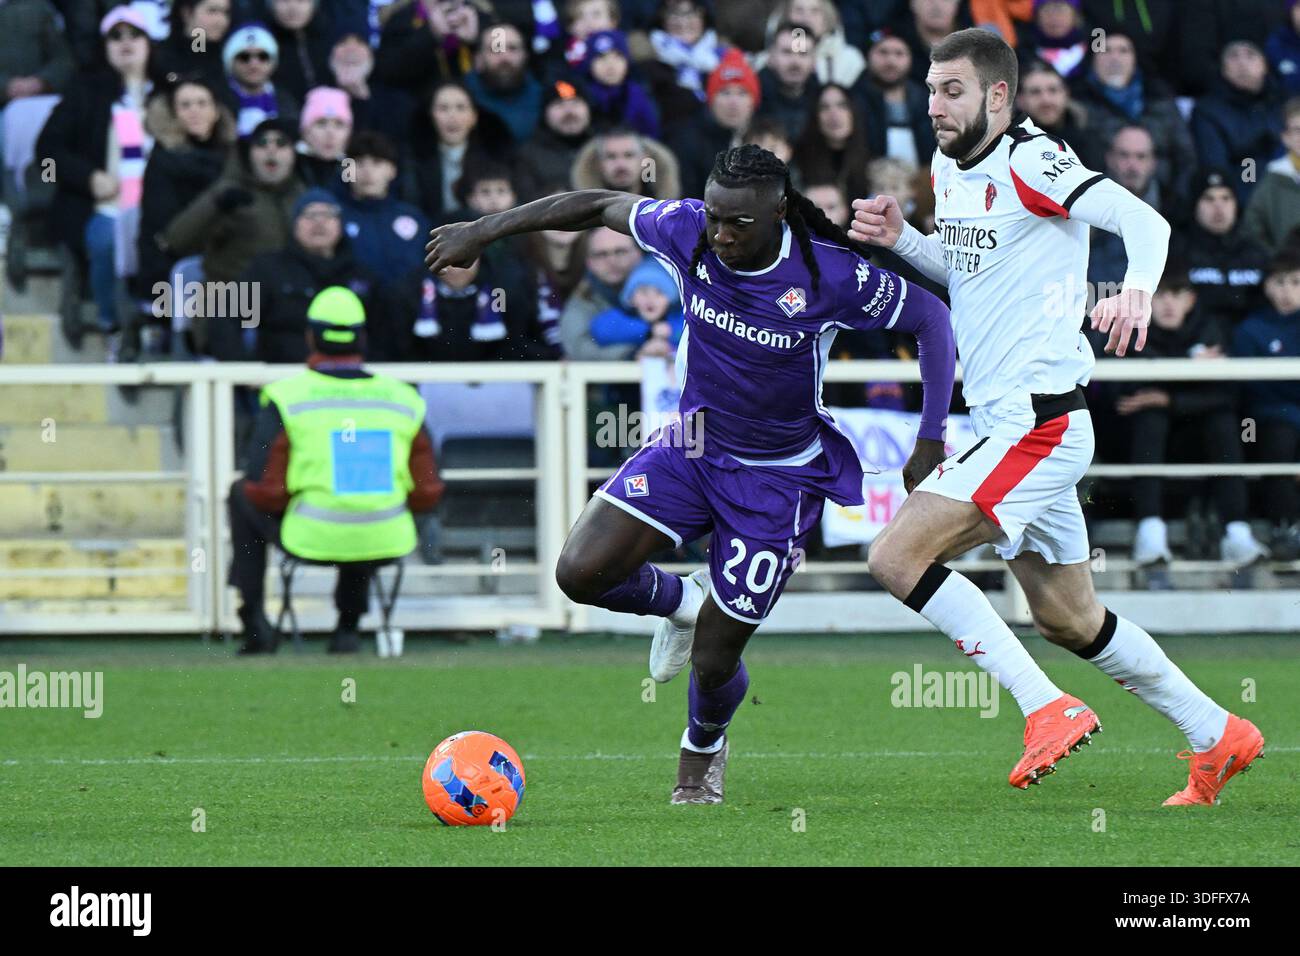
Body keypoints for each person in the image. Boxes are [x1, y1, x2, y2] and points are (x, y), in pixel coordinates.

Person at [426, 143, 956, 805]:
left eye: (738, 222)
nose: (721, 233)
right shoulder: (685, 230)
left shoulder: (830, 276)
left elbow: (932, 317)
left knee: (714, 661)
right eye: (714, 216)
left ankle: (701, 752)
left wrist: (930, 435)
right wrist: (482, 231)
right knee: (579, 573)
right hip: (693, 449)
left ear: (778, 214)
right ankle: (683, 604)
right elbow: (593, 204)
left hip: (777, 481)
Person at [849, 28, 1264, 806]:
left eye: (952, 91)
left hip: (1037, 426)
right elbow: (966, 274)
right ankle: (1218, 734)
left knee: (894, 557)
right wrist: (904, 238)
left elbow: (1149, 224)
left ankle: (1046, 708)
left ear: (998, 96)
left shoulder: (1031, 161)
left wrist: (1137, 286)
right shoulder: (950, 163)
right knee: (1070, 618)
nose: (934, 105)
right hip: (1014, 424)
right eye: (932, 90)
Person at [228, 286, 444, 655]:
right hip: (386, 538)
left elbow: (265, 488)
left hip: (310, 537)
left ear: (310, 336)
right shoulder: (403, 397)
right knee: (360, 496)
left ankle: (254, 621)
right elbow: (427, 491)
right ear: (362, 337)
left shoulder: (287, 396)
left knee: (239, 494)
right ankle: (348, 627)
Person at [1120, 262, 1267, 568]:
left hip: (1199, 439)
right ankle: (1150, 531)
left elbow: (1227, 396)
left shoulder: (1212, 329)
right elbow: (1125, 394)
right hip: (1136, 441)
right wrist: (1188, 366)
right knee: (1150, 419)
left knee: (1223, 422)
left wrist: (1168, 398)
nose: (1168, 303)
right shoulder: (1127, 329)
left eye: (1176, 294)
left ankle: (1237, 533)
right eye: (1159, 295)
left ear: (1191, 300)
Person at [1233, 249, 1300, 560]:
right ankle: (1284, 527)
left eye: (1296, 282)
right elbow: (1254, 386)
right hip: (1264, 418)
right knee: (1278, 438)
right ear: (1267, 286)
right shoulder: (1251, 328)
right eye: (1280, 282)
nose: (1287, 291)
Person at [1242, 97, 1300, 255]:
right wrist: (1277, 261)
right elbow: (1252, 227)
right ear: (1285, 137)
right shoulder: (1270, 177)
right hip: (1285, 271)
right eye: (1297, 130)